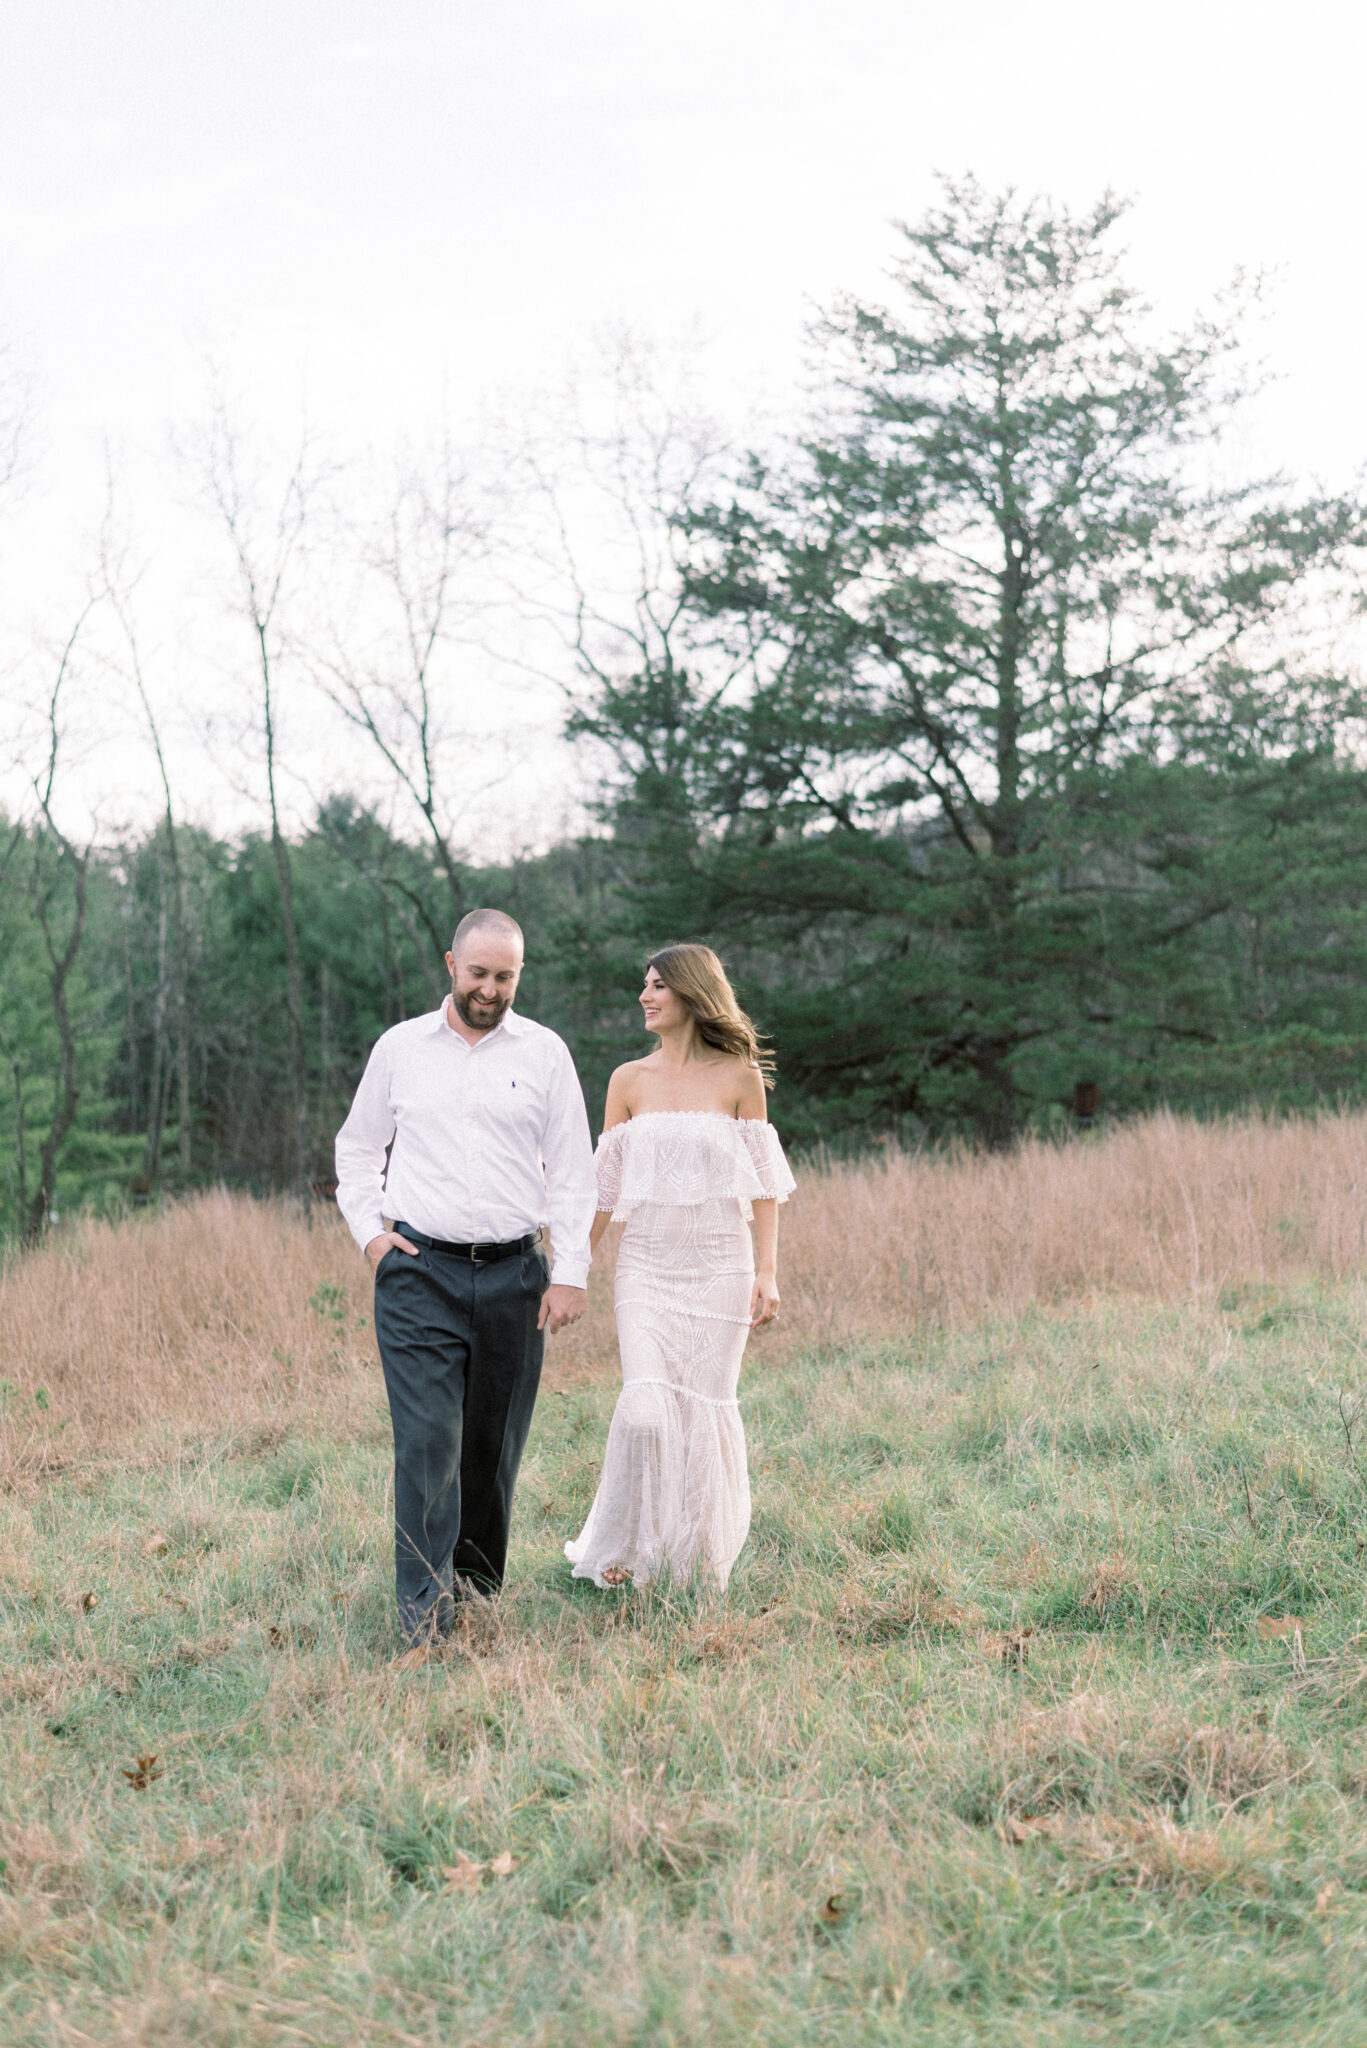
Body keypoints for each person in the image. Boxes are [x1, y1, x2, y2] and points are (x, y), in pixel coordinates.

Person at [335, 909, 596, 1659]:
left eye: (504, 976)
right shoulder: (400, 1049)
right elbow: (357, 1148)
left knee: (491, 1444)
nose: (489, 989)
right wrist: (371, 1236)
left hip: (517, 1274)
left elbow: (573, 1171)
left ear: (520, 973)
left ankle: (477, 1592)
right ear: (451, 964)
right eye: (477, 973)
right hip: (419, 1272)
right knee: (427, 1442)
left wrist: (570, 1274)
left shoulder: (545, 1053)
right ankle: (424, 1619)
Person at [565, 943, 795, 1592]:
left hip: (722, 1265)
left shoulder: (739, 1079)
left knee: (701, 1414)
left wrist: (768, 1272)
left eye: (657, 985)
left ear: (692, 993)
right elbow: (603, 1189)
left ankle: (693, 1566)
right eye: (643, 984)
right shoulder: (627, 1081)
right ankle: (629, 1546)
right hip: (645, 1269)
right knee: (645, 1411)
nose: (644, 995)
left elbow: (763, 1187)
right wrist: (570, 1269)